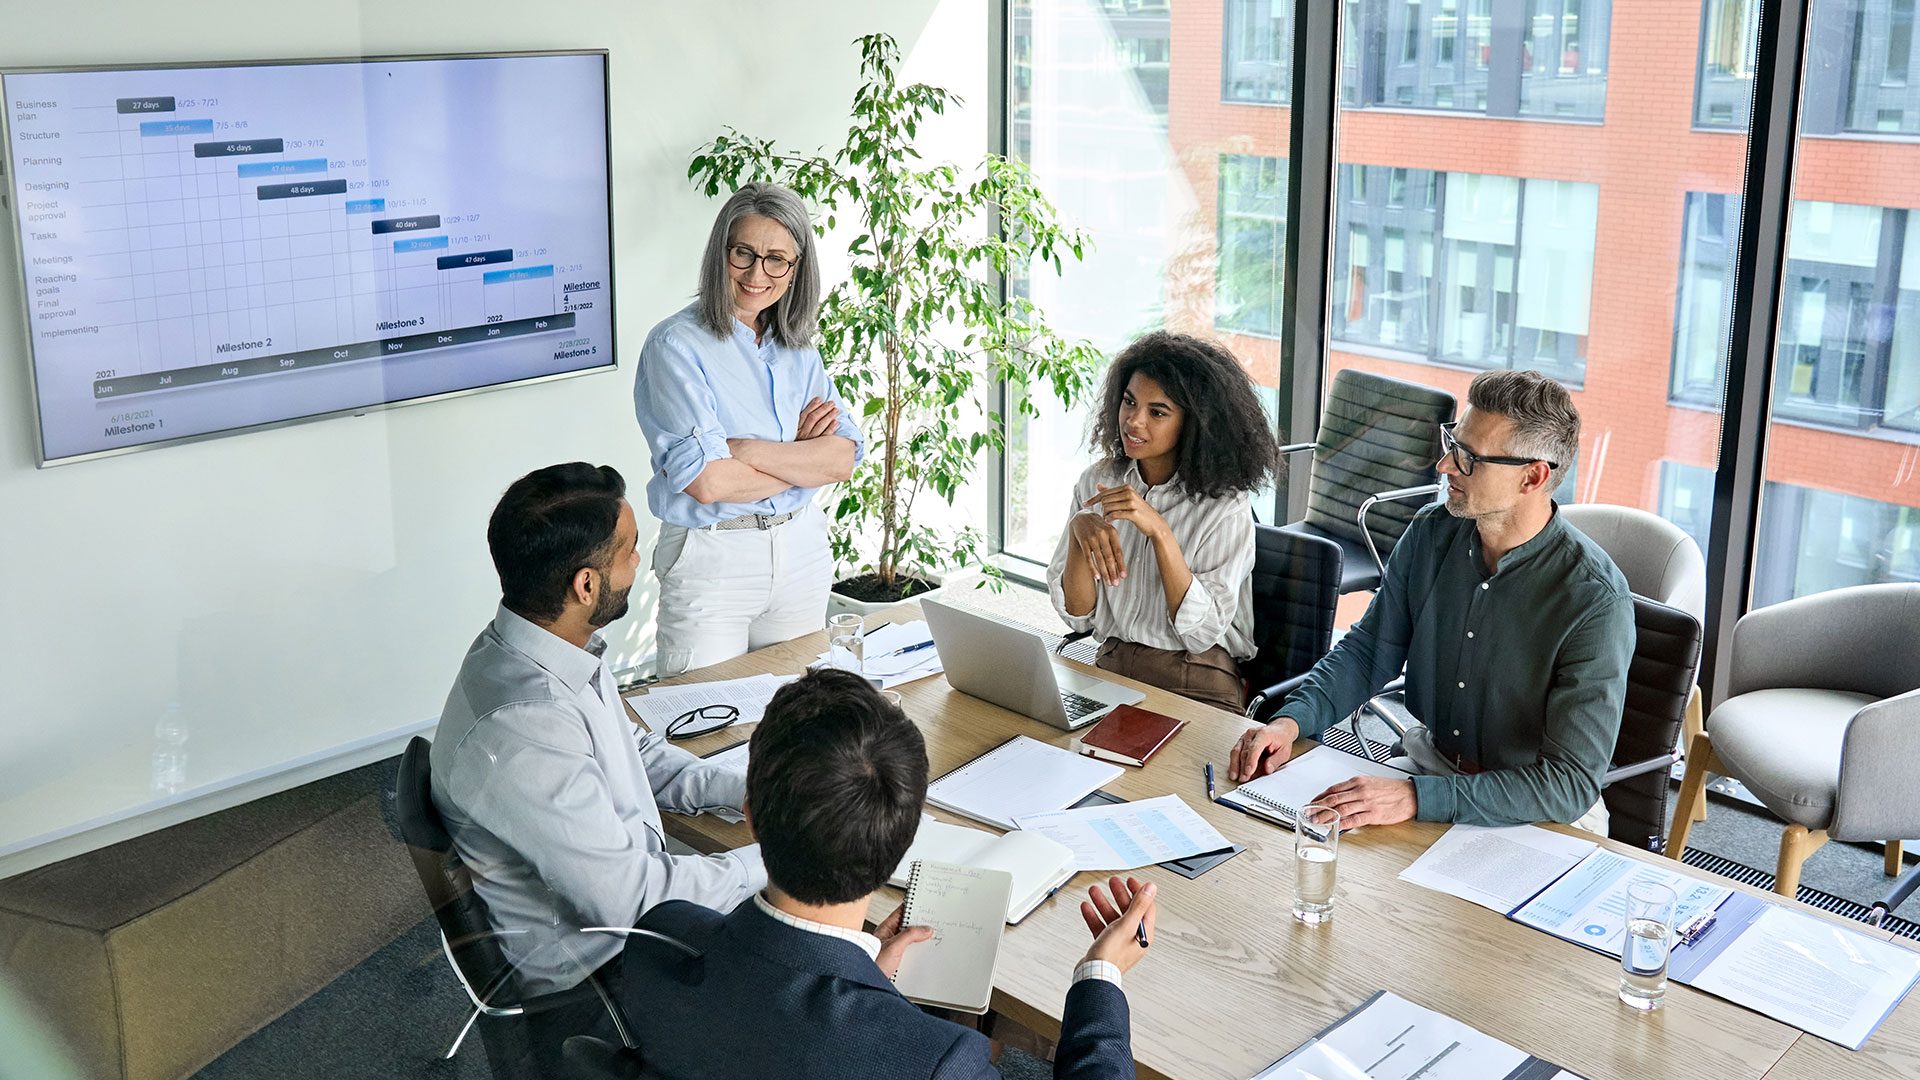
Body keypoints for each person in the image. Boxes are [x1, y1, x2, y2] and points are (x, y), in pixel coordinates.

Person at [616, 668, 1154, 1079]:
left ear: (751, 815)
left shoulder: (659, 942)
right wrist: (1101, 977)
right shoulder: (934, 1062)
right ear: (901, 847)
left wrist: (870, 968)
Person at [429, 463, 767, 1062]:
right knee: (815, 968)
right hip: (597, 983)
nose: (640, 564)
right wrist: (779, 857)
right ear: (586, 585)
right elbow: (630, 902)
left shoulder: (550, 647)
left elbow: (636, 755)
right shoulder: (522, 727)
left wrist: (764, 791)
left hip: (621, 916)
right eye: (630, 552)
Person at [1229, 370, 1634, 833]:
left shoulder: (1595, 601)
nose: (1444, 466)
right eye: (1451, 443)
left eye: (1468, 458)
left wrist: (1416, 797)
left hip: (1535, 812)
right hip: (1428, 767)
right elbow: (1367, 653)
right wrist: (1290, 723)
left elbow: (1567, 785)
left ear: (1533, 477)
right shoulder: (1430, 531)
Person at [634, 181, 864, 677]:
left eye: (777, 259)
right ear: (721, 253)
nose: (758, 273)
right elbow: (709, 481)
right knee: (705, 727)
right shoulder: (675, 346)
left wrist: (746, 450)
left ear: (796, 268)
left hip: (801, 552)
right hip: (714, 556)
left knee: (802, 726)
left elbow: (841, 459)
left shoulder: (799, 346)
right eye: (744, 253)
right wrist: (802, 458)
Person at [1047, 332, 1281, 711]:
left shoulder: (1225, 507)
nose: (1134, 421)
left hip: (1196, 680)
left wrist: (1159, 530)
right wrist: (1078, 531)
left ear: (1194, 424)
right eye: (1129, 402)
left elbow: (1202, 633)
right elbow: (1078, 617)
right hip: (1113, 667)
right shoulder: (1096, 481)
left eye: (1157, 412)